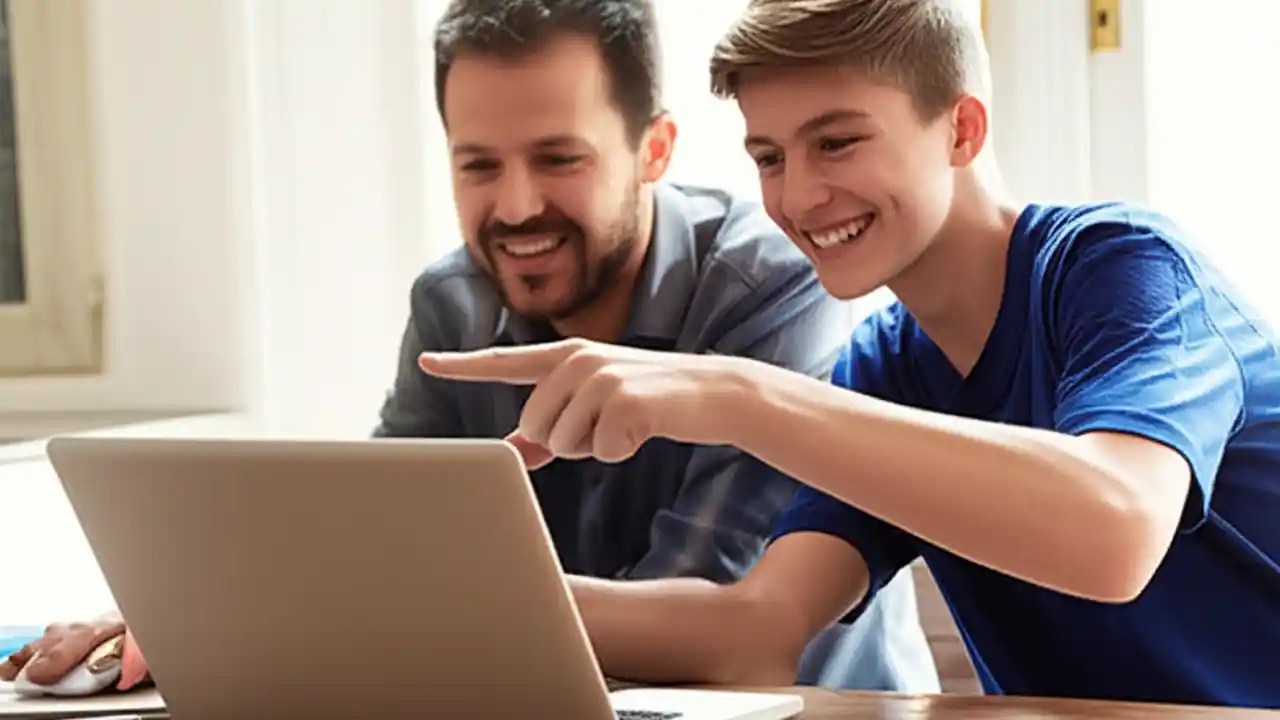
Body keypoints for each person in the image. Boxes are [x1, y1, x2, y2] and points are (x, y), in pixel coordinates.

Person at [0, 0, 938, 696]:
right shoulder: (452, 300)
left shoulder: (770, 286)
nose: (518, 206)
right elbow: (359, 544)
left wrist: (297, 608)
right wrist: (191, 607)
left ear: (654, 149)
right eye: (479, 165)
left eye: (559, 158)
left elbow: (707, 627)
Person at [414, 0, 1280, 709]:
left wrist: (738, 395)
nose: (796, 196)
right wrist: (431, 600)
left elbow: (1116, 533)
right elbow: (751, 635)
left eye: (837, 142)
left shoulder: (1123, 266)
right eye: (768, 156)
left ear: (962, 129)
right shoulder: (888, 367)